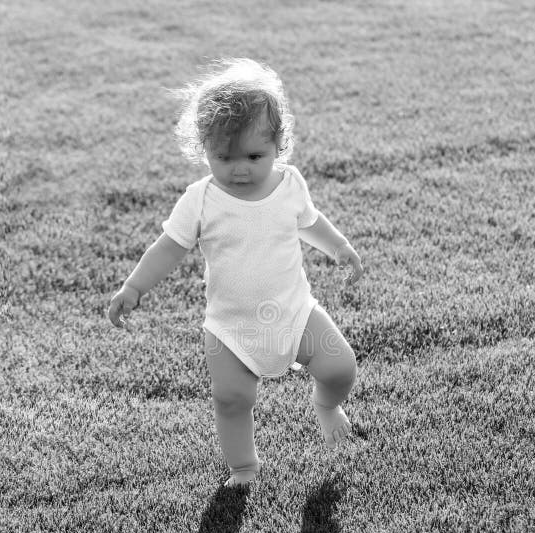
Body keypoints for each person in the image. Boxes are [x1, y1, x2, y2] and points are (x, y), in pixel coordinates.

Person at [108, 58, 364, 486]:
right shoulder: (201, 199)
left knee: (340, 368)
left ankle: (326, 405)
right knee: (231, 398)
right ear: (203, 149)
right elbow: (169, 246)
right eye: (223, 157)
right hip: (230, 327)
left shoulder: (289, 185)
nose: (239, 168)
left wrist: (339, 247)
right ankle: (244, 466)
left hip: (294, 313)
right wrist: (134, 286)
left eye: (254, 155)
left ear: (278, 145)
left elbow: (309, 222)